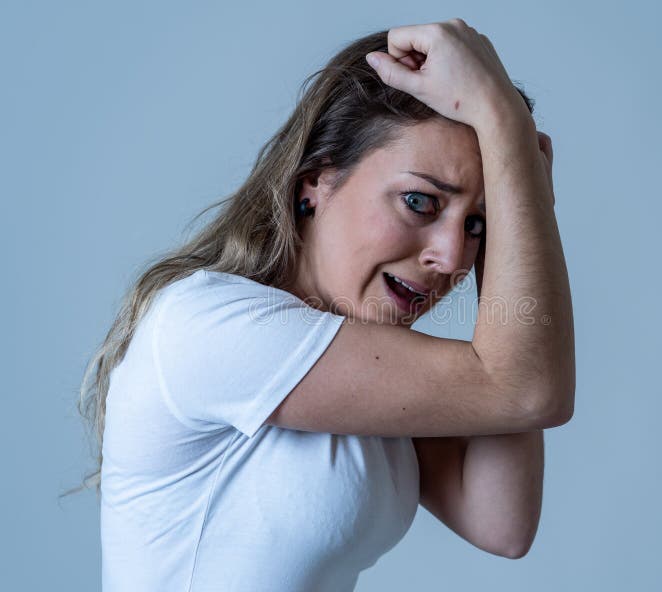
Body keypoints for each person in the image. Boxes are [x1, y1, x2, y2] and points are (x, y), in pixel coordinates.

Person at [76, 18, 575, 592]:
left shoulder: (364, 360)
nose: (451, 255)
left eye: (477, 226)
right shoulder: (210, 326)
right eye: (420, 201)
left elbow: (501, 521)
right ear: (316, 180)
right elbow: (525, 390)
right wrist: (504, 124)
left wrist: (518, 209)